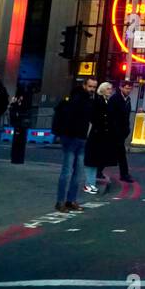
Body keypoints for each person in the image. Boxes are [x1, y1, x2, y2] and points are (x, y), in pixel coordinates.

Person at [55, 78, 96, 213]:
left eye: (94, 87)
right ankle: (61, 202)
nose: (92, 89)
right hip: (71, 138)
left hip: (80, 138)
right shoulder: (76, 99)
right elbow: (67, 117)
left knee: (77, 172)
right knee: (68, 172)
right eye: (90, 86)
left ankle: (70, 200)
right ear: (84, 85)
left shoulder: (88, 100)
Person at [83, 82, 115, 193]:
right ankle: (89, 184)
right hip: (96, 135)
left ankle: (91, 183)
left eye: (111, 89)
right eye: (108, 89)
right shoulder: (98, 101)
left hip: (101, 136)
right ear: (102, 90)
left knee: (95, 161)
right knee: (91, 160)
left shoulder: (106, 101)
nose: (110, 90)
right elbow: (94, 117)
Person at [107, 80, 135, 181]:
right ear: (121, 88)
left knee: (115, 153)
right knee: (116, 153)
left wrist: (127, 129)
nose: (129, 90)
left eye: (130, 88)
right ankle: (124, 174)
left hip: (121, 132)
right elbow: (111, 116)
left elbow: (126, 117)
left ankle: (124, 174)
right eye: (127, 88)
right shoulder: (115, 99)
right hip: (114, 132)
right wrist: (114, 130)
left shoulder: (128, 100)